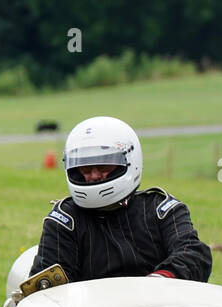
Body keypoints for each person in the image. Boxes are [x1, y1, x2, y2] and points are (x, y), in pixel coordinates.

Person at [30, 116, 211, 284]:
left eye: (103, 166)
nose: (94, 176)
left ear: (130, 161)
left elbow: (193, 254)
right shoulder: (65, 219)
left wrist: (159, 281)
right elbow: (47, 286)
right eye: (84, 168)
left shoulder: (161, 209)